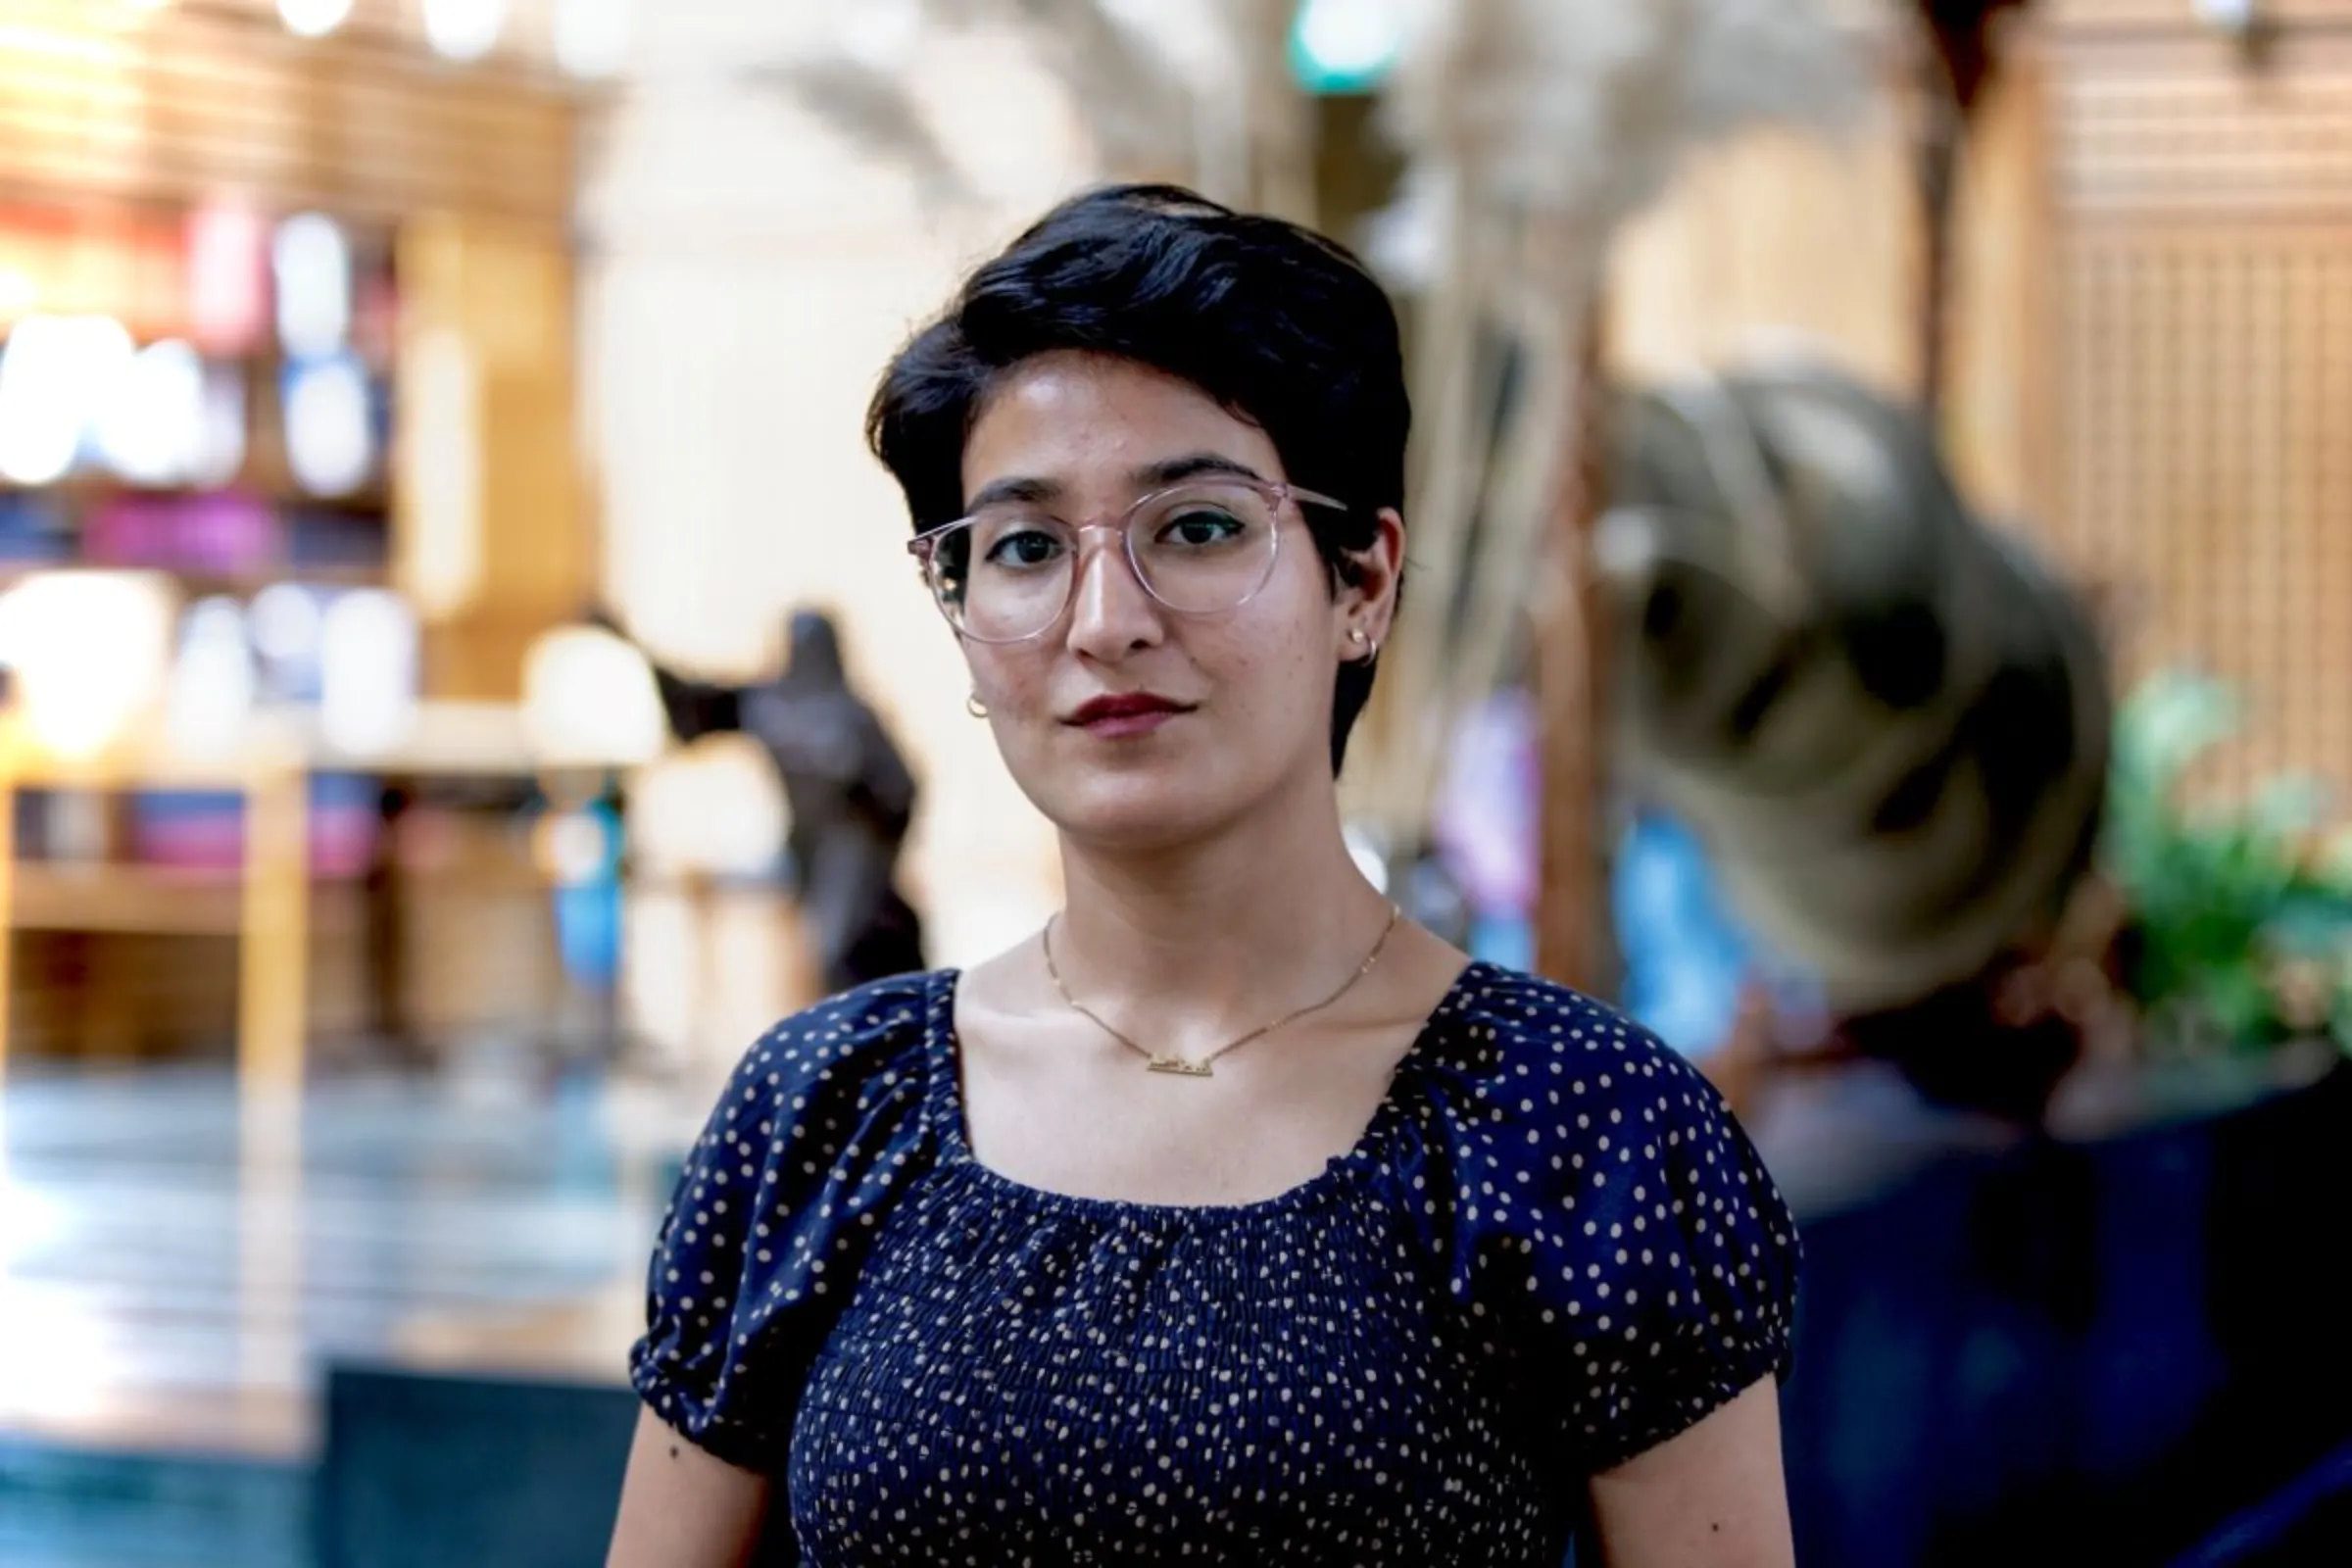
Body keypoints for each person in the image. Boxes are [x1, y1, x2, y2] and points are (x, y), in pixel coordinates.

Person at [609, 184, 1801, 1567]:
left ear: (1363, 580)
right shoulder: (821, 1114)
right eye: (1025, 548)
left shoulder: (1576, 1131)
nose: (1104, 621)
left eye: (1198, 527)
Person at [622, 606, 927, 995]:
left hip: (853, 848)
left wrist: (866, 814)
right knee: (820, 947)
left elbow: (901, 787)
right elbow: (697, 705)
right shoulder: (770, 705)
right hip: (805, 847)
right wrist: (635, 647)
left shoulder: (852, 716)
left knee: (843, 944)